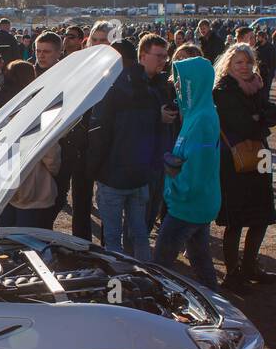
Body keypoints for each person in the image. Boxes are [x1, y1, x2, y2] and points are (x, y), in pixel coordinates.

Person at [87, 34, 172, 260]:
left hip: (119, 175)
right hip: (136, 175)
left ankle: (119, 284)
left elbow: (100, 133)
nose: (164, 60)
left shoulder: (115, 89)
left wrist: (93, 169)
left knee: (115, 238)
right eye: (159, 56)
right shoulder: (145, 89)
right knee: (139, 234)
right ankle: (143, 279)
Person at [213, 44, 276, 288]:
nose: (244, 67)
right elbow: (242, 124)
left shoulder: (258, 86)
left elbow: (272, 115)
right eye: (238, 62)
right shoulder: (223, 90)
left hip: (260, 154)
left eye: (248, 62)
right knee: (236, 218)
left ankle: (251, 264)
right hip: (234, 158)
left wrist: (259, 119)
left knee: (261, 214)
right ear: (229, 65)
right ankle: (233, 273)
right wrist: (259, 119)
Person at [152, 56, 220, 288]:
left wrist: (176, 189)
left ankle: (156, 312)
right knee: (200, 259)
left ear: (195, 83)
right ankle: (216, 300)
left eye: (182, 81)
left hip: (187, 204)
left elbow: (199, 167)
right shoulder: (196, 114)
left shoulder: (202, 119)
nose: (177, 86)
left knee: (160, 264)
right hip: (196, 202)